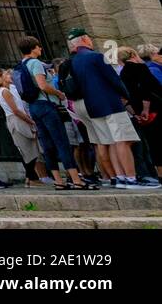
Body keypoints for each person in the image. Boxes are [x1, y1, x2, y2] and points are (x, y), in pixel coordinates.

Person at [65, 29, 157, 189]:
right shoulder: (96, 57)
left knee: (109, 141)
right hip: (109, 103)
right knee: (123, 140)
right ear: (85, 39)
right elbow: (114, 80)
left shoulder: (74, 61)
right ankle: (131, 178)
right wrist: (127, 98)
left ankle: (119, 177)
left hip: (91, 105)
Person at [16, 36, 94, 190]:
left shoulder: (21, 65)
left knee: (47, 145)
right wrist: (58, 93)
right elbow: (42, 85)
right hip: (46, 105)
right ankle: (76, 180)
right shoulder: (35, 63)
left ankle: (58, 180)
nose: (40, 49)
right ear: (33, 48)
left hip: (33, 107)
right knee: (61, 142)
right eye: (38, 47)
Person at [0, 68, 48, 186]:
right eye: (7, 75)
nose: (10, 76)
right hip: (17, 120)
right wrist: (30, 121)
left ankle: (30, 177)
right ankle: (32, 177)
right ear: (1, 77)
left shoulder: (7, 90)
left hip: (18, 118)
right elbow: (15, 110)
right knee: (28, 149)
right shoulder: (4, 91)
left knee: (30, 149)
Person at [118, 46, 162, 180]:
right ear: (132, 54)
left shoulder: (122, 74)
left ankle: (159, 173)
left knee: (153, 143)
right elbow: (147, 90)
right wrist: (146, 110)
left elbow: (124, 97)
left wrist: (135, 113)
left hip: (138, 113)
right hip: (154, 109)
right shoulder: (141, 68)